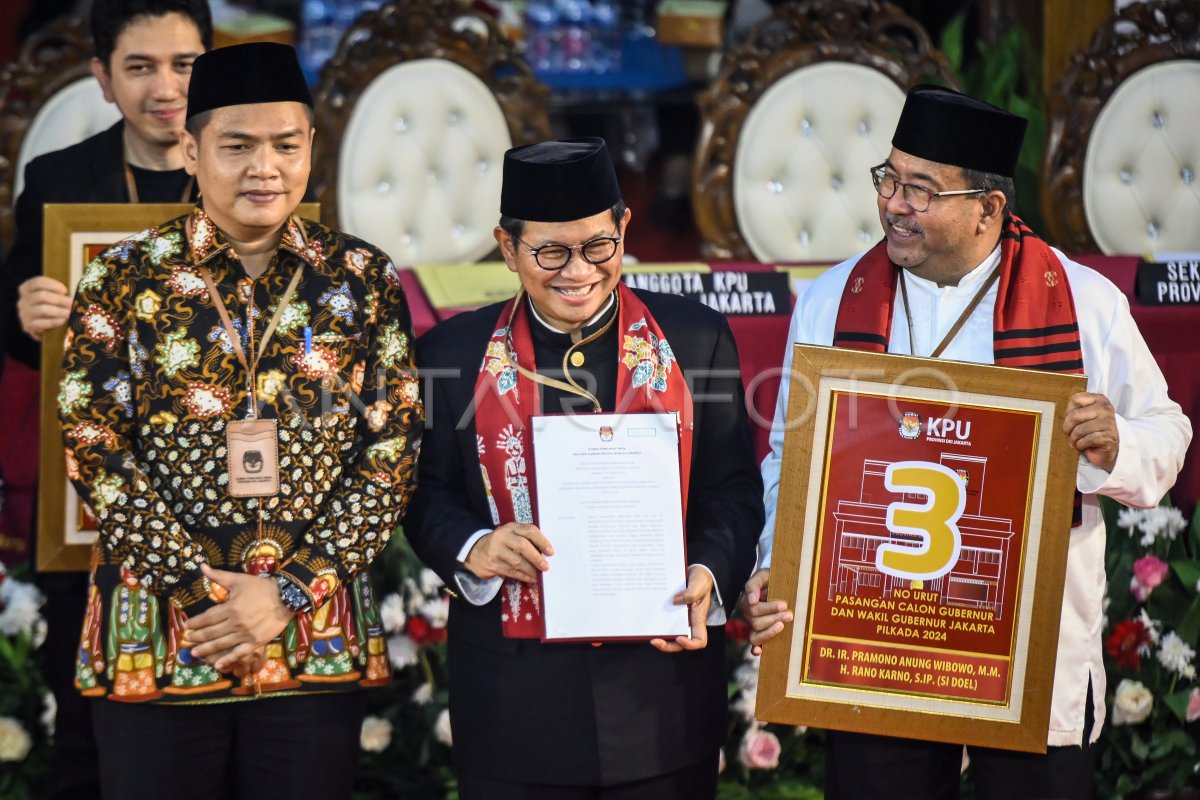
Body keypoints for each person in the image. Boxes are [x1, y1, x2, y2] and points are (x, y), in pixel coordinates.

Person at [740, 85, 1192, 800]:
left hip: (1025, 655)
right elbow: (789, 463)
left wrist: (1112, 449)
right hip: (877, 648)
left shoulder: (1082, 304)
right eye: (889, 178)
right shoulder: (832, 302)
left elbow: (1167, 435)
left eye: (922, 190)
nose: (893, 203)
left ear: (989, 207)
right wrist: (779, 562)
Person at [58, 41, 422, 799]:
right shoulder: (121, 278)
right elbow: (93, 446)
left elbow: (390, 447)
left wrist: (286, 591)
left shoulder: (359, 278)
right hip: (163, 635)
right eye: (237, 146)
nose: (266, 166)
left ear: (311, 149)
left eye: (286, 145)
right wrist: (198, 594)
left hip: (309, 632)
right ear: (190, 152)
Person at [405, 137, 762, 799]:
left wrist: (709, 571)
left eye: (599, 246)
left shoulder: (693, 338)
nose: (579, 271)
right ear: (507, 248)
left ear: (624, 228)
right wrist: (474, 545)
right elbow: (423, 493)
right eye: (550, 252)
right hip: (516, 700)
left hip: (661, 694)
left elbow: (732, 489)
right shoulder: (450, 354)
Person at [0, 3, 211, 796]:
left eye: (185, 64)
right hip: (90, 507)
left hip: (227, 509)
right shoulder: (61, 180)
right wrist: (27, 313)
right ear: (102, 78)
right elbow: (18, 323)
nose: (166, 88)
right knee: (87, 734)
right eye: (140, 66)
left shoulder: (255, 173)